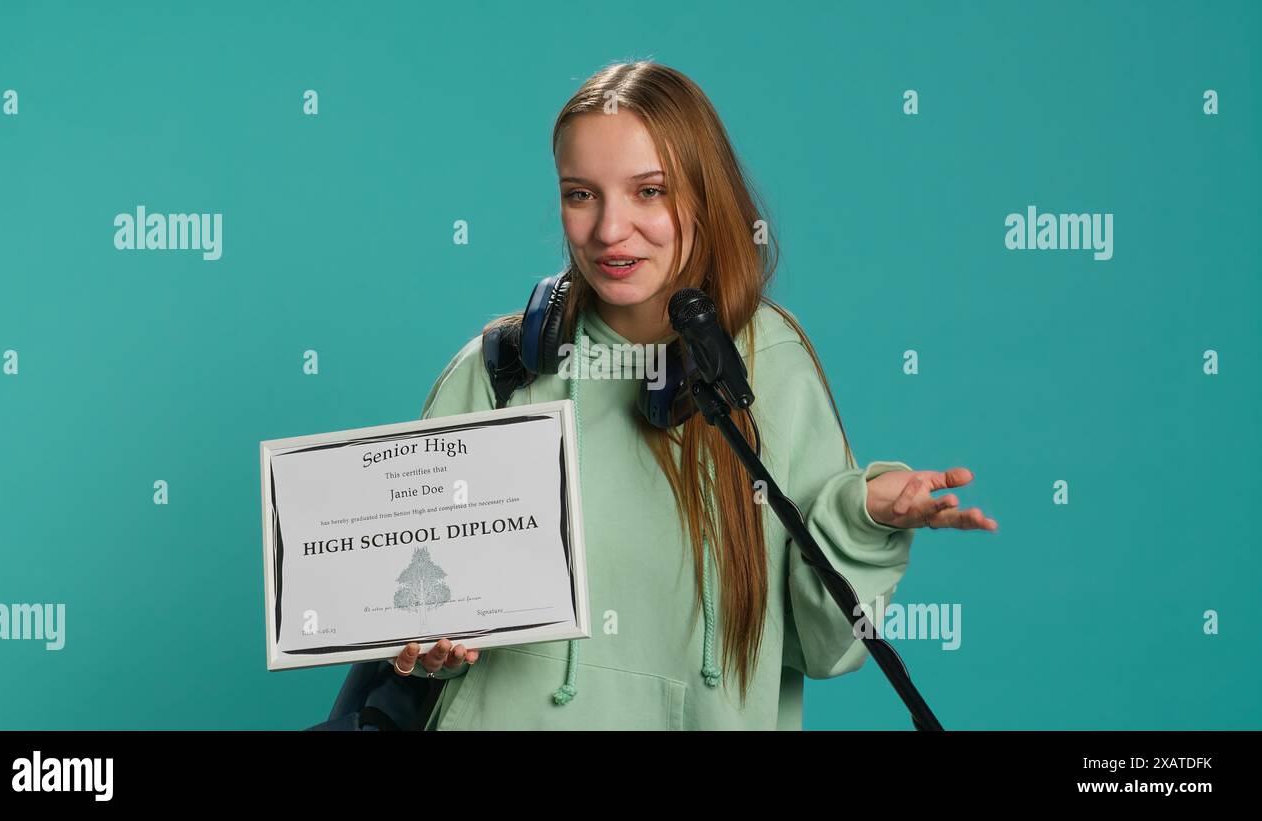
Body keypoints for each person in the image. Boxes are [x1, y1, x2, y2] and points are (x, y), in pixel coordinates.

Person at [323, 60, 998, 731]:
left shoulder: (773, 367)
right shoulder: (498, 371)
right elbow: (422, 621)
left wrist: (861, 522)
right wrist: (427, 647)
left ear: (704, 196)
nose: (611, 230)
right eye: (581, 193)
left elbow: (824, 648)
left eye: (649, 191)